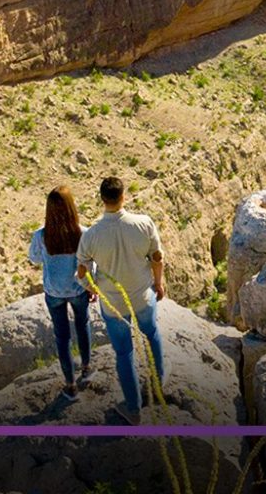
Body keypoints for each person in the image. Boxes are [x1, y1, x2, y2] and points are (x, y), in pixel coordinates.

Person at [76, 175, 167, 424]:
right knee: (151, 333)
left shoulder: (91, 236)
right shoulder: (143, 223)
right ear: (123, 196)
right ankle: (159, 386)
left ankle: (134, 410)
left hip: (113, 304)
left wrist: (90, 288)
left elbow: (82, 270)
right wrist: (158, 283)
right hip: (142, 295)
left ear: (102, 200)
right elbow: (157, 257)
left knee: (124, 352)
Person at [27, 185, 92, 400]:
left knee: (62, 336)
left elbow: (34, 259)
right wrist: (92, 286)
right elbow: (89, 261)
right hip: (77, 288)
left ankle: (70, 385)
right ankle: (87, 368)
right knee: (82, 325)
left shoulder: (41, 235)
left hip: (53, 291)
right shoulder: (82, 233)